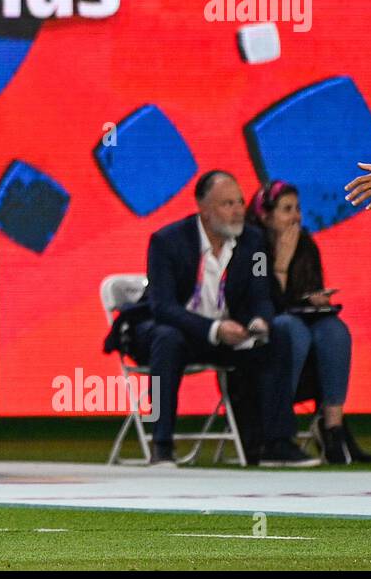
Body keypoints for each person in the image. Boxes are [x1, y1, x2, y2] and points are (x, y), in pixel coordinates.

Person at [129, 170, 318, 467]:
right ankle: (161, 444)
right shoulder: (167, 242)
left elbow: (261, 295)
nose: (238, 211)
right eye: (227, 204)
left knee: (278, 332)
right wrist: (215, 329)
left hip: (229, 336)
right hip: (172, 331)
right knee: (168, 338)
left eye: (240, 203)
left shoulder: (253, 243)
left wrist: (259, 321)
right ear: (203, 209)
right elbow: (163, 308)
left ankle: (277, 443)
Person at [247, 180, 371, 464]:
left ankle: (332, 427)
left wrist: (314, 300)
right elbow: (263, 303)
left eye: (298, 209)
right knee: (291, 329)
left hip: (300, 328)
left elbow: (299, 297)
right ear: (265, 215)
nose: (296, 217)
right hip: (262, 335)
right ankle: (276, 429)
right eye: (286, 209)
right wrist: (280, 263)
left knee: (333, 329)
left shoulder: (305, 244)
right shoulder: (251, 246)